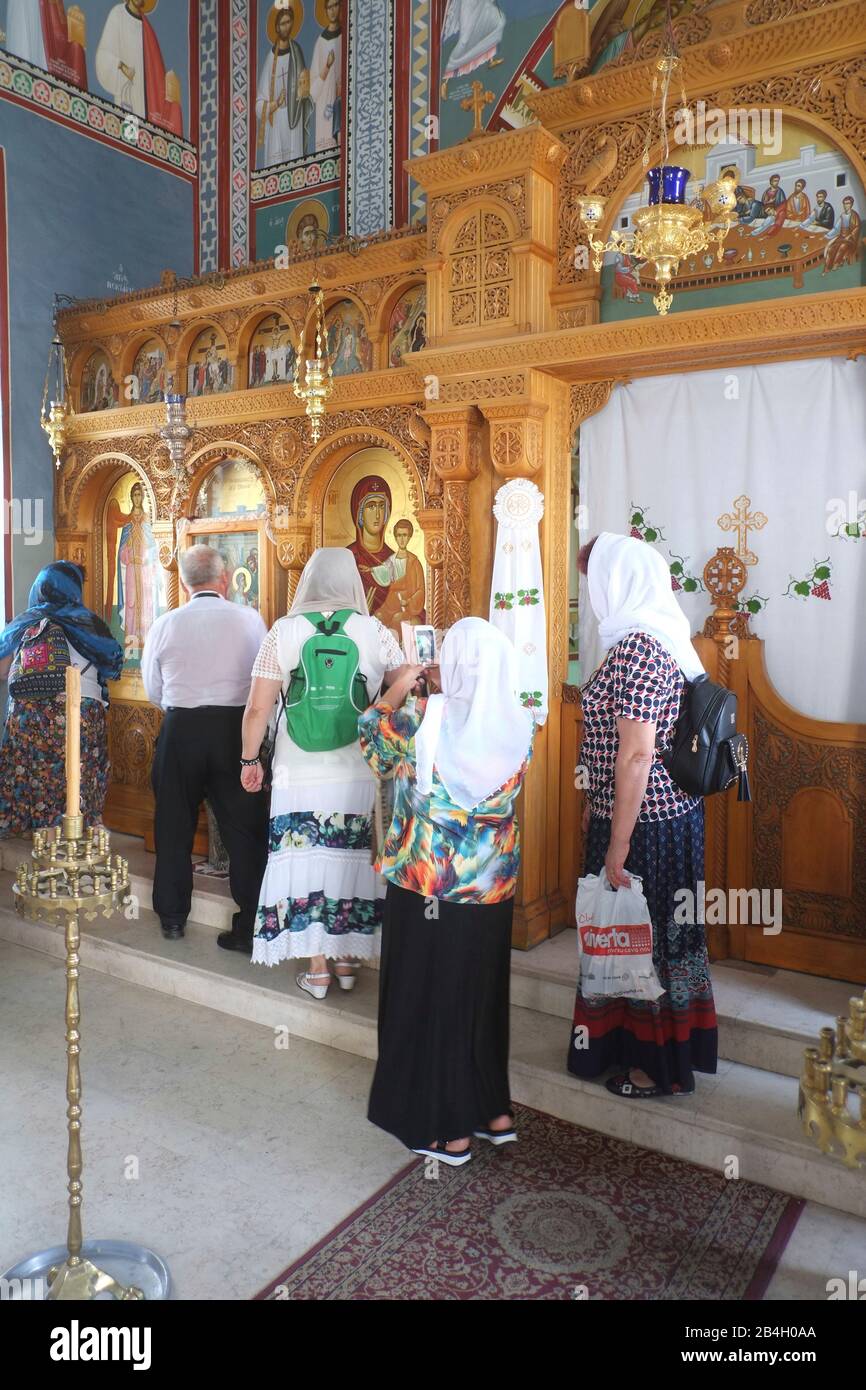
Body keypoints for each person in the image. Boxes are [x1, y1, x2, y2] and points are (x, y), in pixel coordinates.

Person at [358, 617, 535, 1165]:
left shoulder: (423, 715)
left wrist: (400, 685)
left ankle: (448, 1129)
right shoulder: (520, 720)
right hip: (492, 888)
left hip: (427, 887)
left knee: (430, 1000)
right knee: (478, 998)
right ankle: (492, 1113)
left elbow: (374, 746)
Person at [568, 533, 717, 1098]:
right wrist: (593, 803)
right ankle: (661, 1050)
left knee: (639, 942)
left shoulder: (637, 648)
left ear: (617, 581)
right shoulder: (665, 638)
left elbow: (636, 752)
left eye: (595, 580)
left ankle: (653, 1065)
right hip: (663, 817)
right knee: (655, 941)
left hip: (643, 827)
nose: (593, 592)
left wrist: (617, 844)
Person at [239, 548, 404, 994]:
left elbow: (258, 708)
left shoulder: (284, 631)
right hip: (357, 770)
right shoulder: (375, 632)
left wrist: (250, 759)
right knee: (350, 860)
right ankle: (348, 962)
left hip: (298, 772)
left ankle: (317, 970)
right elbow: (409, 683)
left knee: (306, 863)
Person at [142, 545, 268, 946]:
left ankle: (173, 918)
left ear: (183, 582)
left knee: (173, 824)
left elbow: (152, 689)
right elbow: (265, 680)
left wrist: (183, 709)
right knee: (244, 829)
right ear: (225, 577)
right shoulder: (250, 620)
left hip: (182, 728)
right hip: (236, 730)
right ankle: (251, 922)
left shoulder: (166, 623)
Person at [0, 562, 123, 836]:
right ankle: (82, 827)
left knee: (32, 775)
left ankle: (37, 833)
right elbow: (112, 664)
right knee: (79, 773)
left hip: (27, 717)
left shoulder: (23, 622)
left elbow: (2, 668)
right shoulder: (88, 623)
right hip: (78, 713)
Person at [95, 0, 183, 136]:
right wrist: (122, 67)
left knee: (142, 131)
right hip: (125, 86)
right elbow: (104, 53)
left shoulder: (147, 28)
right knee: (127, 132)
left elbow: (155, 70)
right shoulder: (118, 14)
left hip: (144, 92)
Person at [255, 4, 310, 167]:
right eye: (282, 24)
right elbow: (259, 106)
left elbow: (305, 90)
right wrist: (276, 103)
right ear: (276, 28)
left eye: (288, 22)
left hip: (295, 118)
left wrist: (303, 91)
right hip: (276, 124)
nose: (286, 27)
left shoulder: (297, 52)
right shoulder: (271, 59)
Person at [310, 0, 341, 151]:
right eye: (329, 7)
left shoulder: (347, 35)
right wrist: (327, 66)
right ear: (325, 10)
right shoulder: (320, 42)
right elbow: (313, 91)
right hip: (324, 103)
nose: (333, 10)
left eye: (336, 5)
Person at [823, 196, 861, 272]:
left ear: (851, 204)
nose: (846, 205)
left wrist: (850, 236)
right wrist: (827, 235)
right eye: (844, 203)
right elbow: (836, 228)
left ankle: (836, 263)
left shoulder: (855, 215)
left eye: (848, 203)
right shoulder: (842, 215)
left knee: (842, 247)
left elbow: (857, 228)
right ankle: (828, 267)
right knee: (831, 248)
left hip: (851, 239)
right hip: (842, 236)